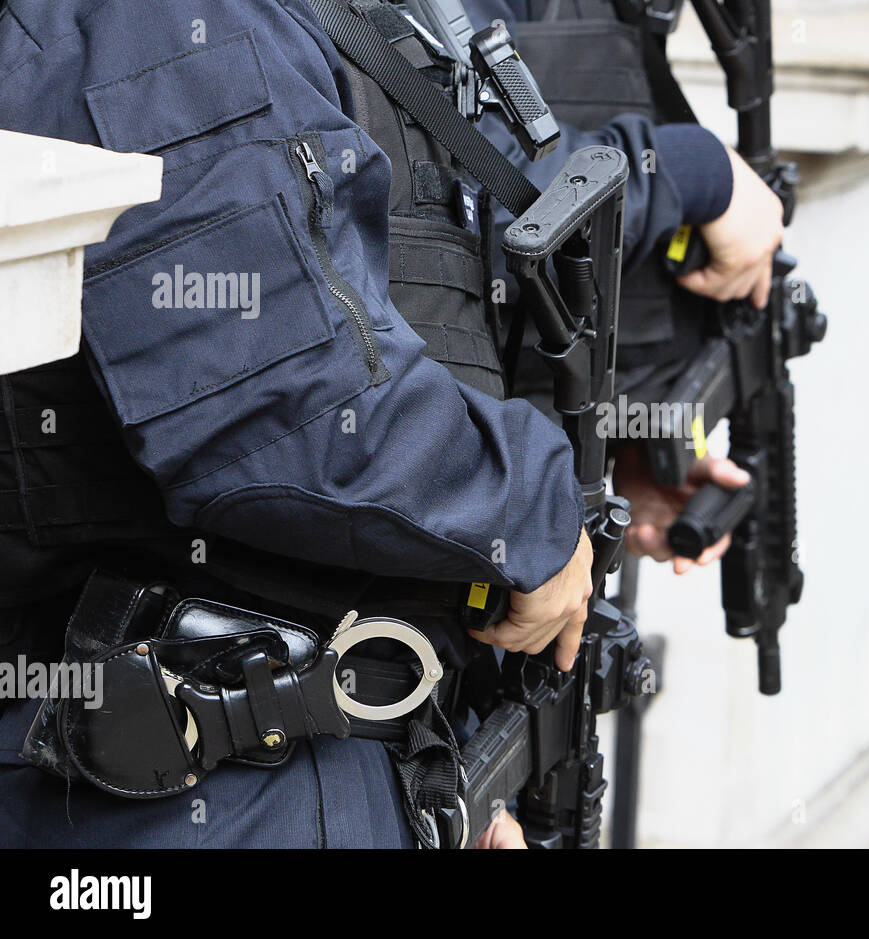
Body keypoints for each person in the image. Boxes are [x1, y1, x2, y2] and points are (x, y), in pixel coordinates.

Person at [0, 0, 600, 849]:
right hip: (192, 778)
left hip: (335, 756)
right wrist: (533, 514)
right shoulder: (158, 16)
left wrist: (438, 771)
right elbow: (285, 417)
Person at [463, 0, 784, 568]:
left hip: (548, 494)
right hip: (466, 516)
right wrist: (700, 174)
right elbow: (469, 209)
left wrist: (627, 444)